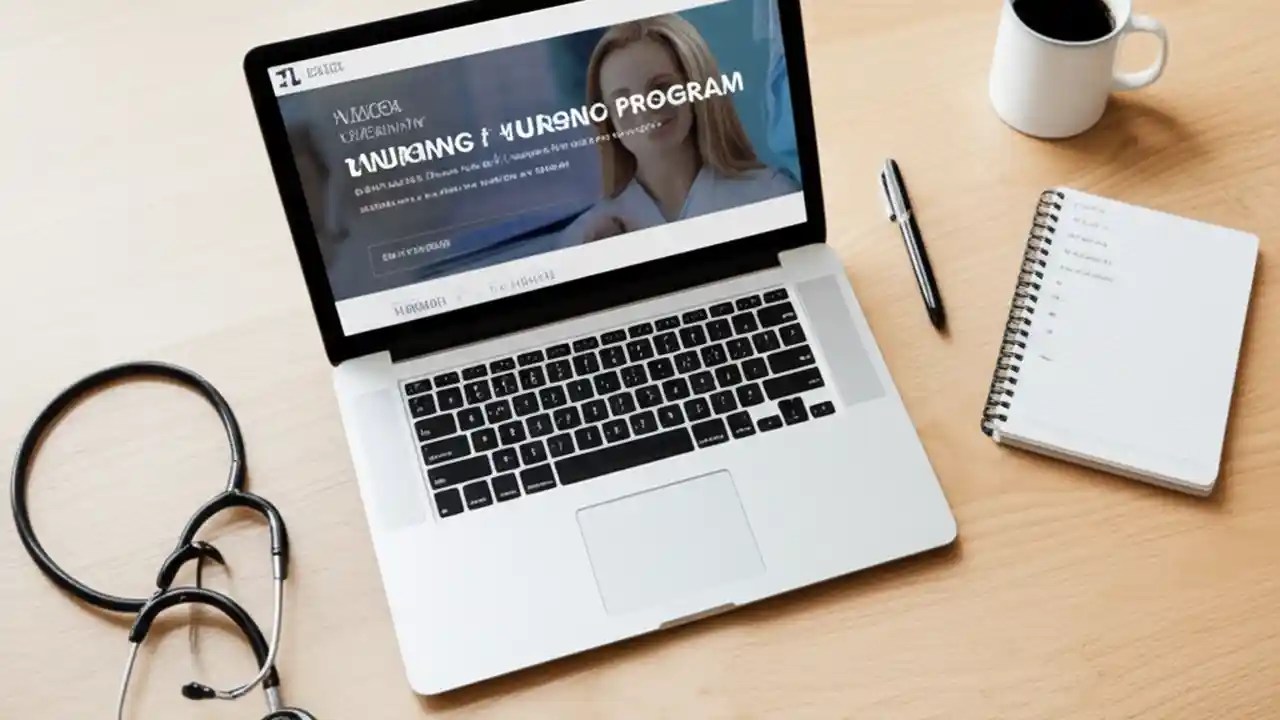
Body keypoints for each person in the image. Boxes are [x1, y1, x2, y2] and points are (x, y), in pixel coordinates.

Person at [566, 14, 799, 244]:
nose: (644, 107)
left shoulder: (773, 194)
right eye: (622, 101)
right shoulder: (583, 239)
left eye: (661, 88)